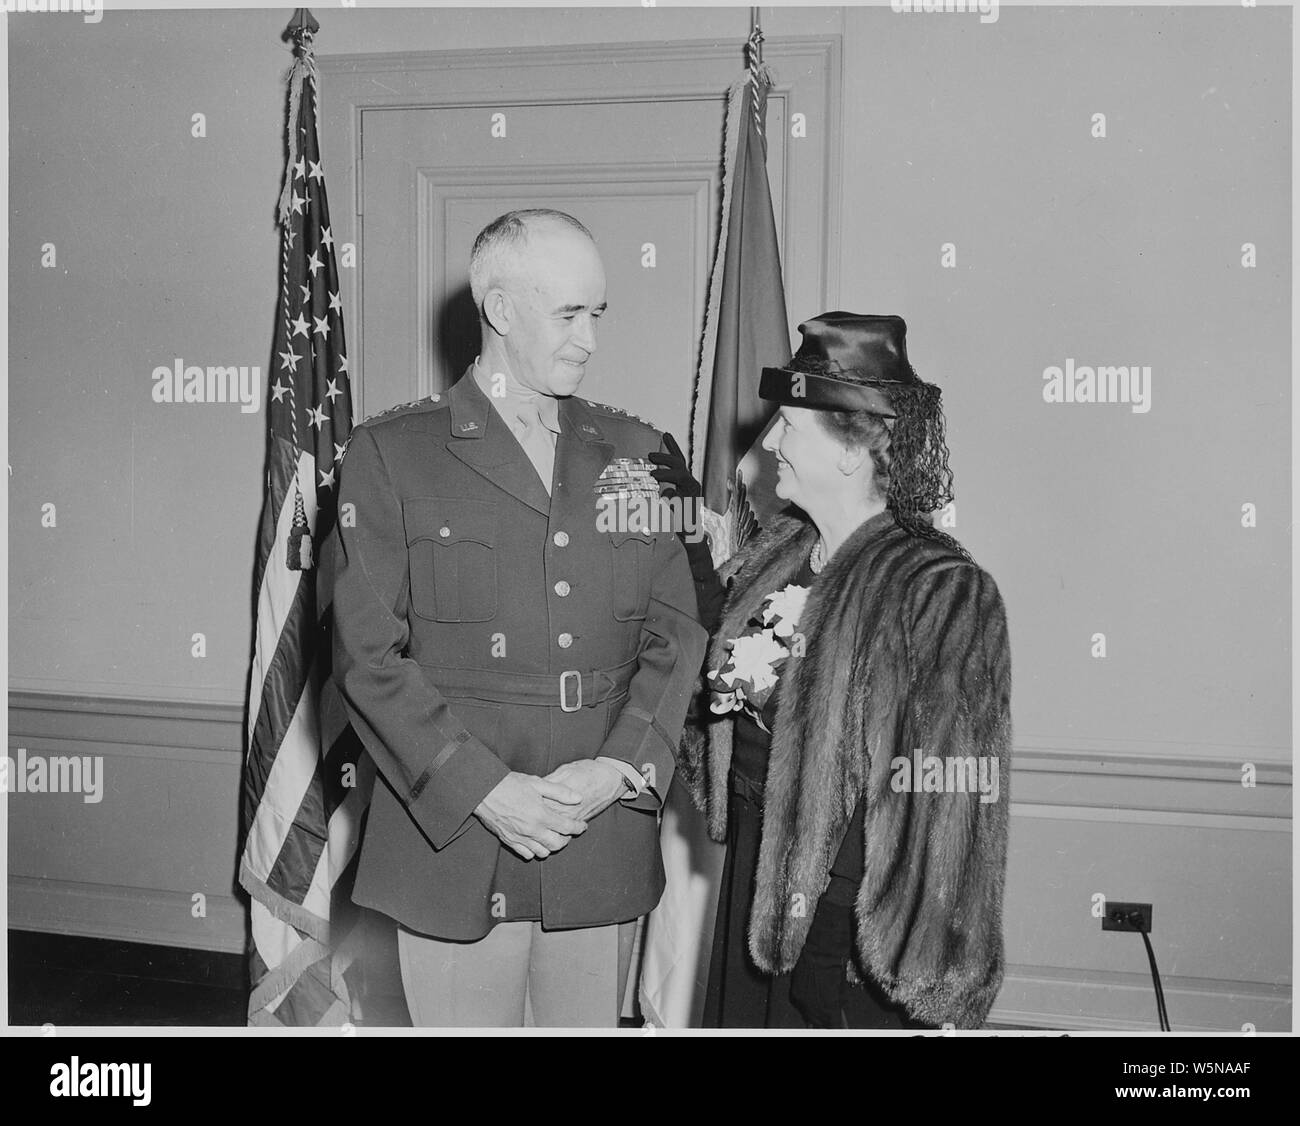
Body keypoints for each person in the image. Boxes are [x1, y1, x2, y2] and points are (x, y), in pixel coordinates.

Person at [327, 209, 708, 1026]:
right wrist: (486, 790)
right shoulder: (392, 455)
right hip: (456, 842)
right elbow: (368, 656)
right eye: (568, 313)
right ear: (499, 310)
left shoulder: (645, 454)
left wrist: (619, 769)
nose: (590, 339)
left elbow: (678, 630)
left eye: (596, 314)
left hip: (600, 839)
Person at [653, 312, 1012, 1029]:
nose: (769, 443)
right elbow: (713, 687)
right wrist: (687, 539)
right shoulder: (780, 555)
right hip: (758, 897)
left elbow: (931, 803)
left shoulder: (939, 590)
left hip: (849, 943)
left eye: (789, 425)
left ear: (852, 451)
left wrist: (833, 954)